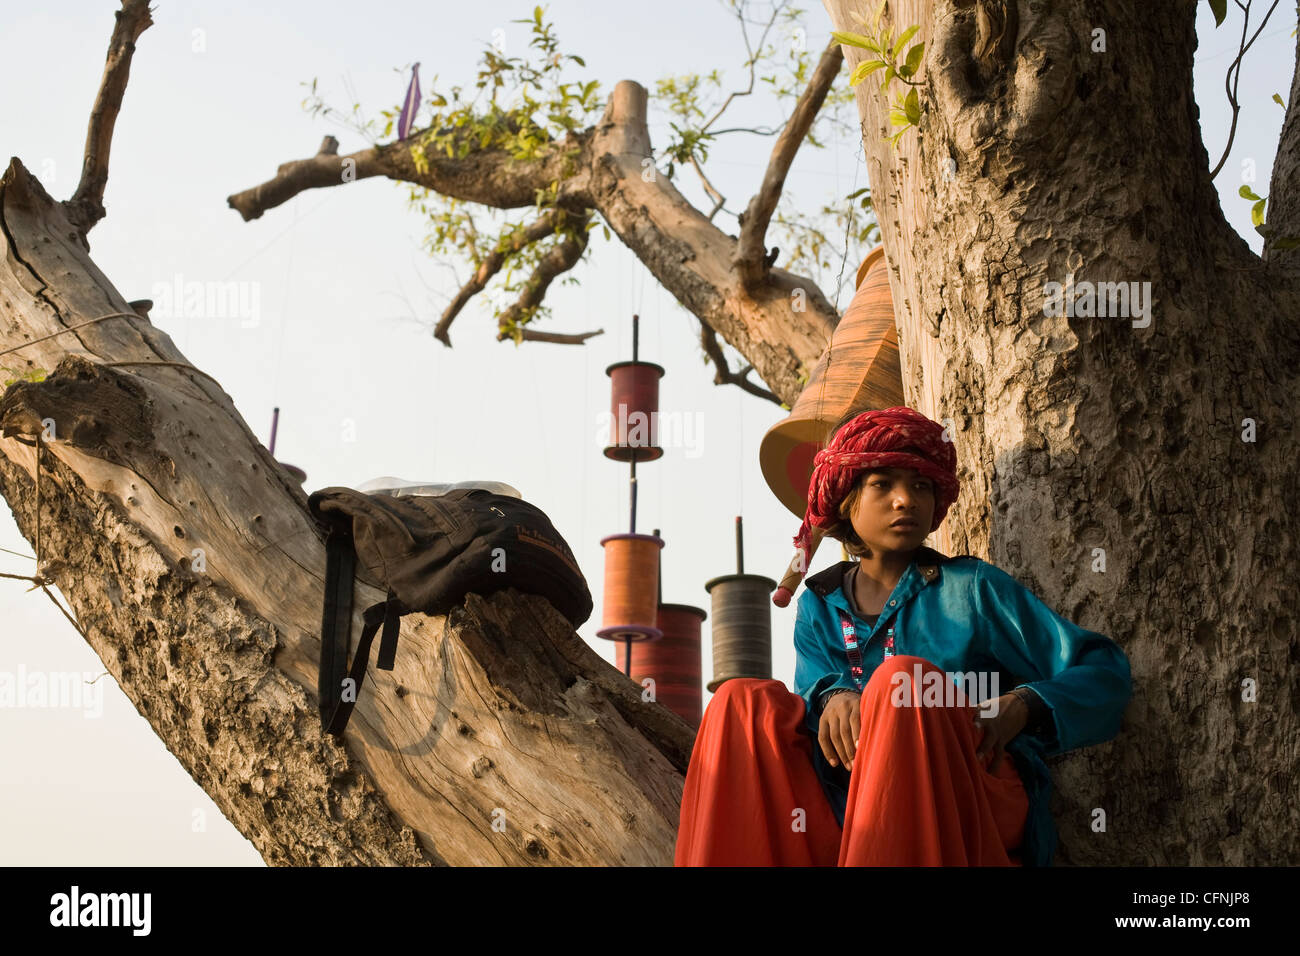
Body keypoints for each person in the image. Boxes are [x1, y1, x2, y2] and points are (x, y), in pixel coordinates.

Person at [674, 406, 1132, 866]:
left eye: (920, 486)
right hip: (844, 811)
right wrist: (834, 697)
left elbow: (1104, 675)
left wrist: (1023, 704)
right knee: (740, 700)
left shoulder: (972, 588)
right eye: (883, 484)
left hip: (966, 803)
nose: (905, 500)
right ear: (847, 502)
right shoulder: (817, 603)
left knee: (905, 683)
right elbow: (812, 698)